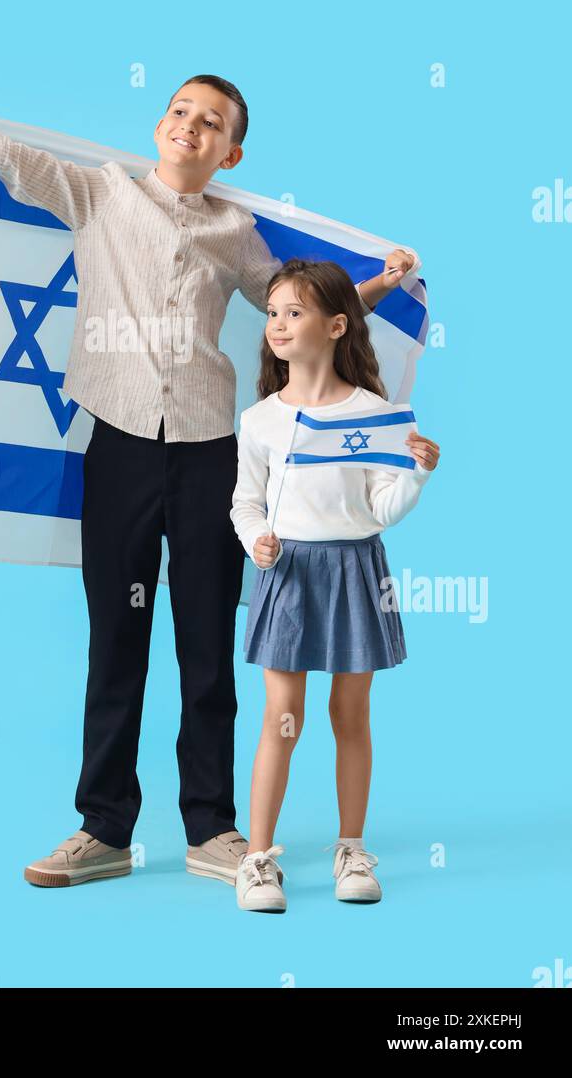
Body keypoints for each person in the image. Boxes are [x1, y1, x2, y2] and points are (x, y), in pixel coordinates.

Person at [0, 78, 417, 890]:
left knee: (205, 643)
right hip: (116, 445)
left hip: (212, 454)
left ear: (232, 152)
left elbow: (297, 307)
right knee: (116, 637)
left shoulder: (236, 230)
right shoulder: (100, 194)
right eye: (181, 112)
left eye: (211, 122)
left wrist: (378, 289)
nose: (191, 125)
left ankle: (214, 827)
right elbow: (3, 157)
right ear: (160, 126)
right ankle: (104, 825)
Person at [229, 259, 439, 912]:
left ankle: (352, 849)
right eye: (272, 314)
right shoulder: (260, 419)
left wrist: (416, 473)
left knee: (350, 715)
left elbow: (381, 510)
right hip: (286, 573)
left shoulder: (376, 414)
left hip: (355, 571)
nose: (279, 325)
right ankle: (258, 862)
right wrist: (256, 539)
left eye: (295, 312)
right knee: (281, 720)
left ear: (336, 325)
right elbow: (244, 502)